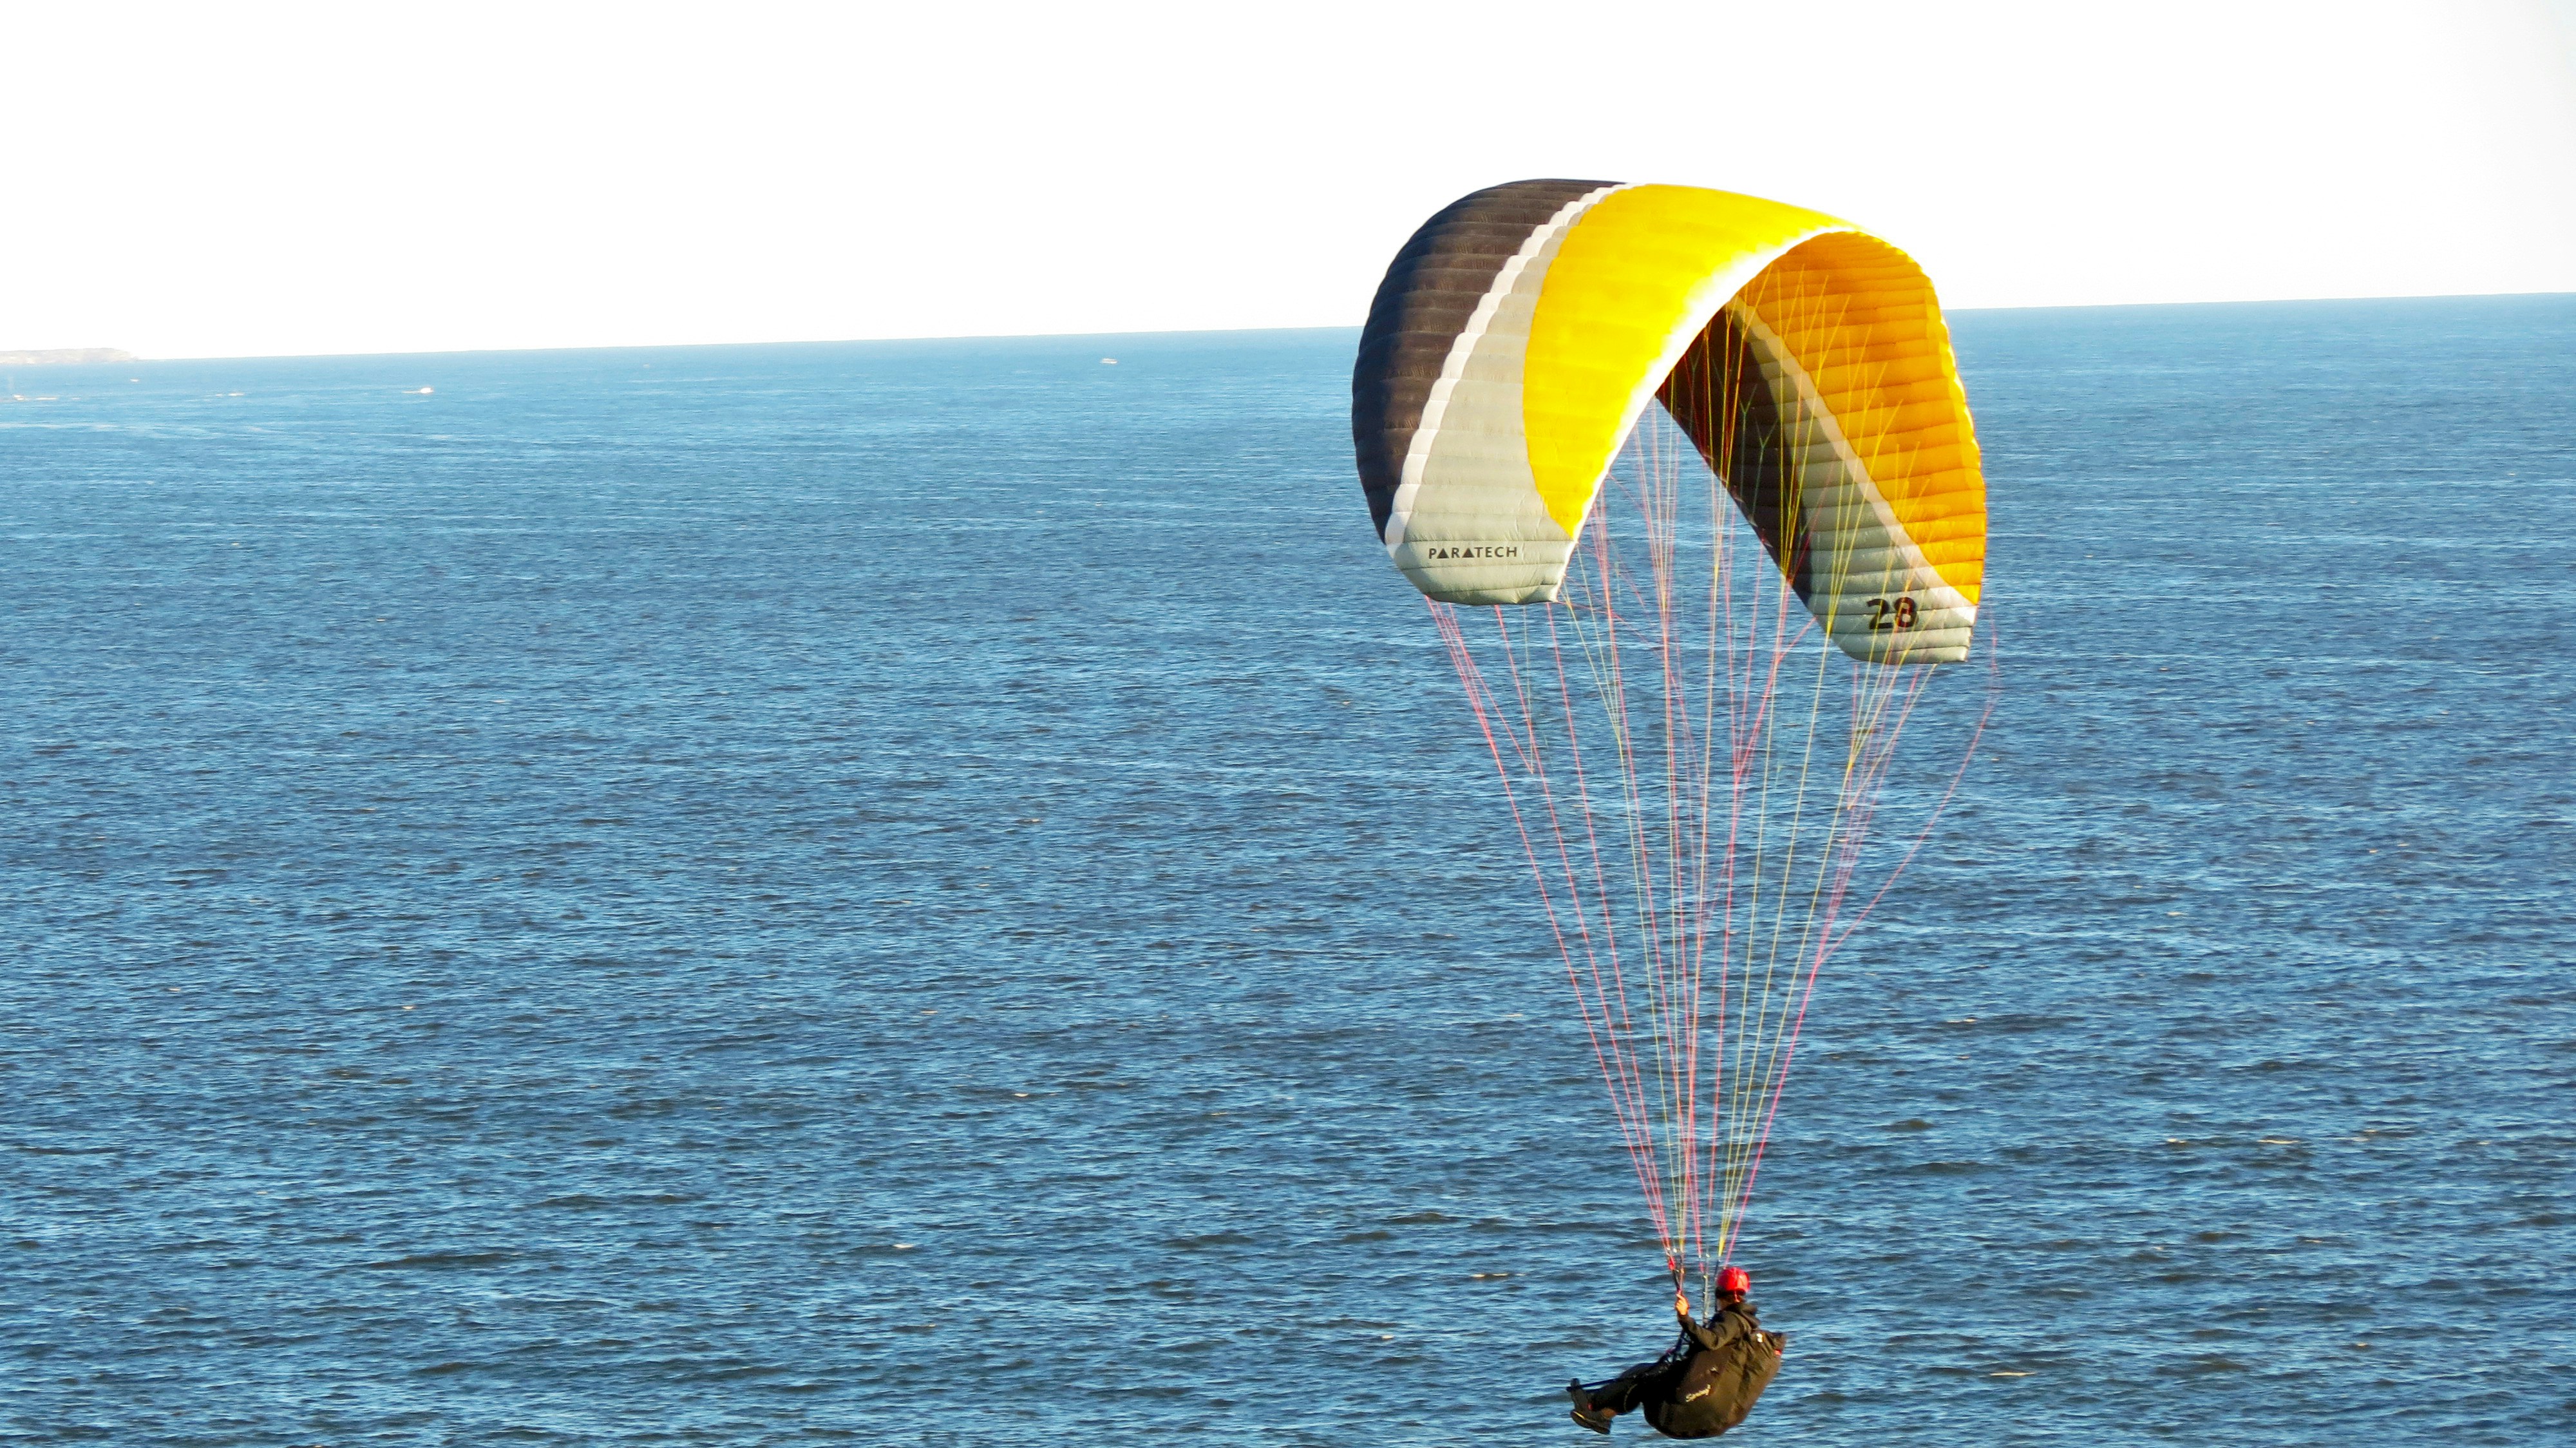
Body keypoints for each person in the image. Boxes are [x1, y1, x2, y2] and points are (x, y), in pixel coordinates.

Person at [1566, 1265, 1783, 1437]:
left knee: (1642, 1376)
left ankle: (1595, 1407)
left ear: (1719, 1293)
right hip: (1714, 1414)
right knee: (1645, 1376)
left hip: (1689, 1408)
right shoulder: (1744, 1323)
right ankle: (1601, 1413)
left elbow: (1713, 1341)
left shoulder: (1732, 1318)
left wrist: (1684, 1317)